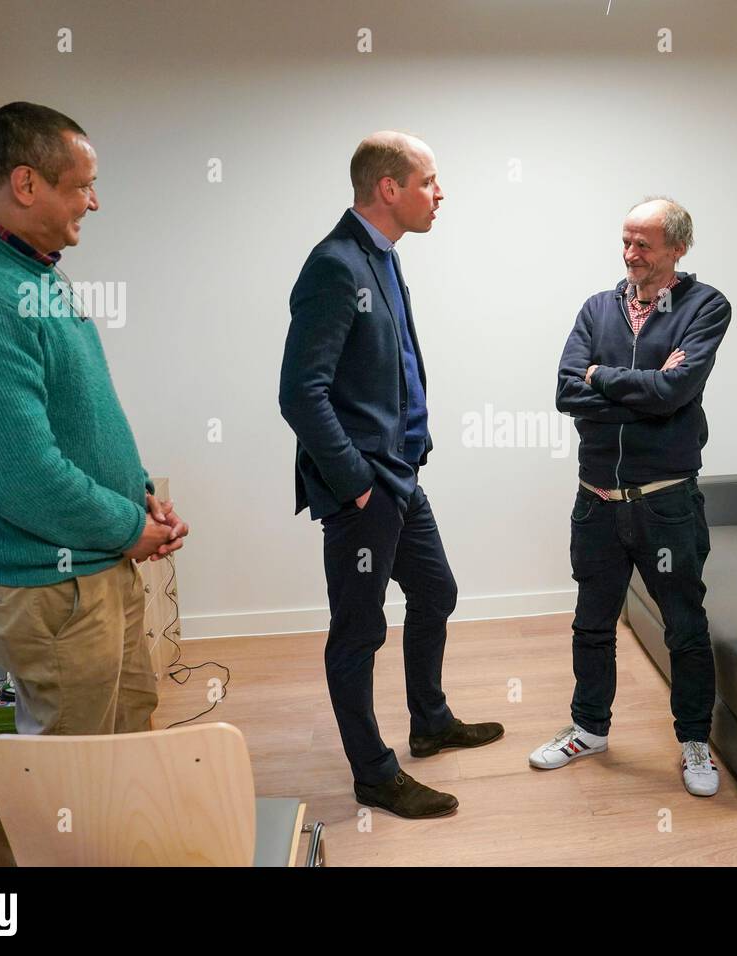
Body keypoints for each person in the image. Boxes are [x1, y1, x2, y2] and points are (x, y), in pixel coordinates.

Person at [0, 102, 188, 736]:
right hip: (53, 588)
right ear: (27, 183)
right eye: (83, 186)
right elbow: (22, 475)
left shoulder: (25, 269)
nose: (93, 202)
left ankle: (118, 843)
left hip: (91, 565)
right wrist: (126, 525)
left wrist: (138, 495)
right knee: (74, 779)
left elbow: (81, 410)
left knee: (125, 740)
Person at [280, 131, 502, 819]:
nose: (441, 193)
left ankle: (429, 721)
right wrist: (355, 482)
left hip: (399, 475)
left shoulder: (380, 257)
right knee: (359, 630)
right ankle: (374, 772)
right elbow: (300, 393)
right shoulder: (335, 265)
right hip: (365, 487)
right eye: (430, 180)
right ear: (388, 188)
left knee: (436, 592)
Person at [531, 197, 732, 796]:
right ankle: (589, 728)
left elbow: (675, 391)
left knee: (685, 627)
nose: (630, 254)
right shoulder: (598, 308)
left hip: (664, 502)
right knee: (592, 622)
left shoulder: (705, 306)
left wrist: (607, 378)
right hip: (596, 500)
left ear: (677, 248)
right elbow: (567, 391)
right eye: (625, 241)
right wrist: (628, 386)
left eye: (644, 243)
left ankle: (695, 742)